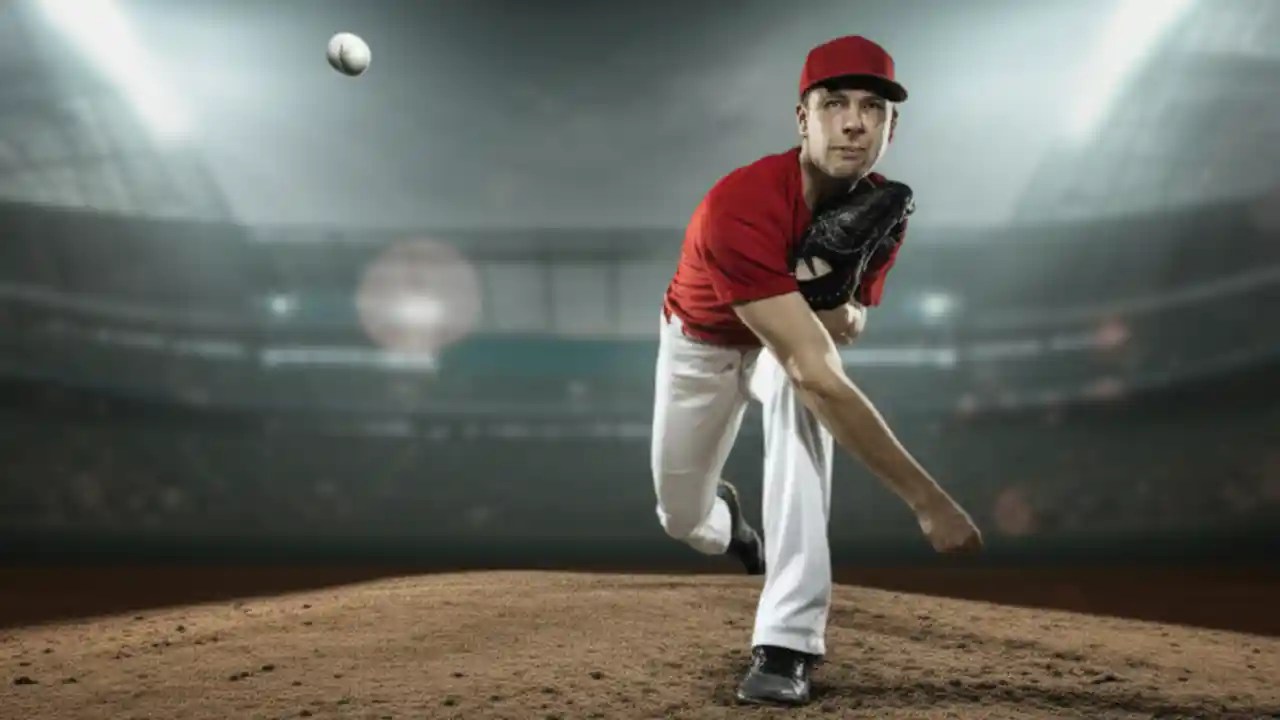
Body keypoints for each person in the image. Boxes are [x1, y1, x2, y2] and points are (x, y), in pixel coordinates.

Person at [649, 34, 983, 706]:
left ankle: (787, 641)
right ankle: (732, 528)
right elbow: (819, 361)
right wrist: (929, 502)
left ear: (892, 126)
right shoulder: (739, 205)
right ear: (803, 118)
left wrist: (830, 292)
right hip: (702, 345)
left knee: (805, 406)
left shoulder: (882, 208)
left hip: (781, 342)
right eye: (835, 103)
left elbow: (843, 330)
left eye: (873, 107)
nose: (855, 121)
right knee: (682, 518)